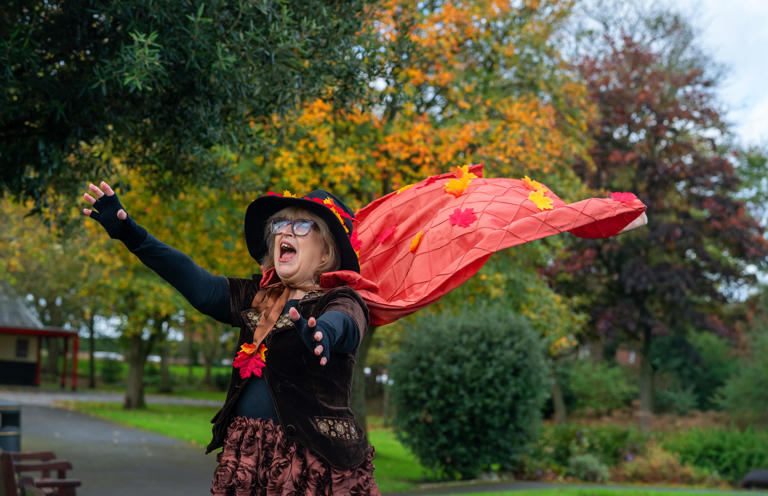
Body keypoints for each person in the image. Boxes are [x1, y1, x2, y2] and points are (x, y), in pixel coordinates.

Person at [82, 181, 380, 495]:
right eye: (280, 224)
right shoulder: (256, 298)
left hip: (313, 462)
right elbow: (197, 283)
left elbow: (346, 323)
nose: (285, 232)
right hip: (248, 455)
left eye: (302, 225)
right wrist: (132, 234)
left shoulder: (340, 300)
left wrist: (324, 332)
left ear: (326, 252)